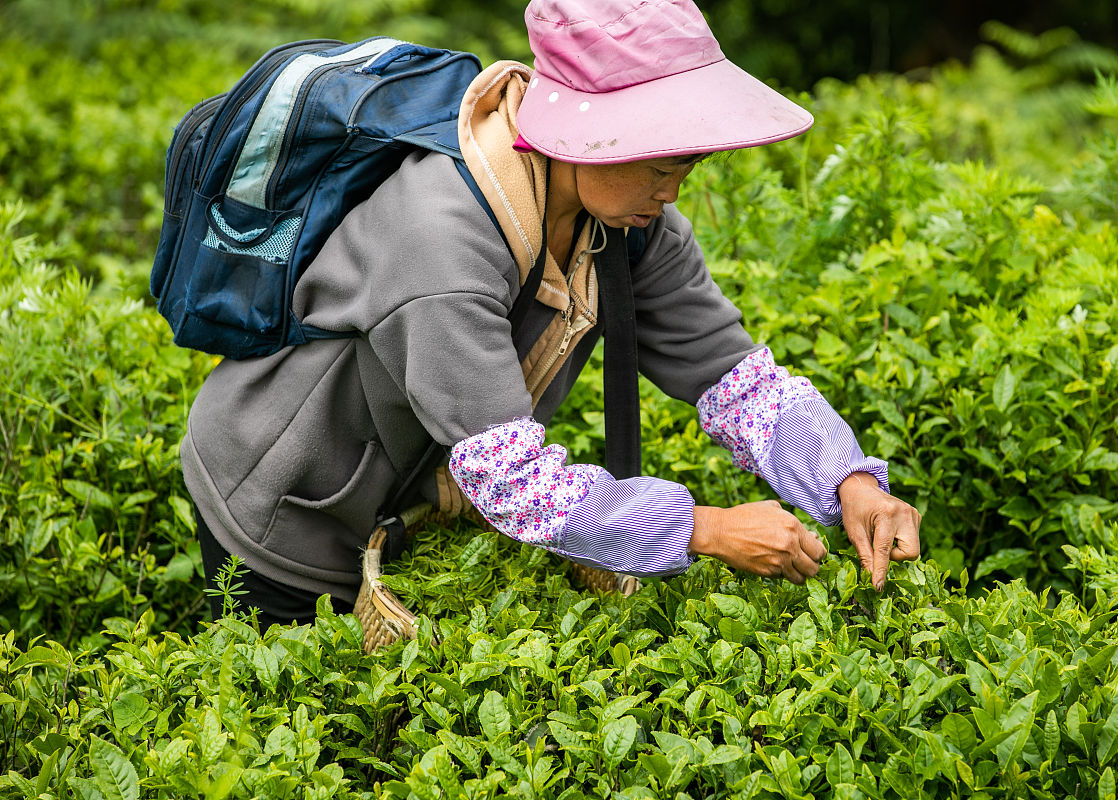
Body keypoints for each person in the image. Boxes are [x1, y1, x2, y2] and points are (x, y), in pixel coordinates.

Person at [182, 0, 922, 626]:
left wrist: (849, 480)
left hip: (409, 498)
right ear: (587, 136)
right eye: (661, 162)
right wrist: (707, 528)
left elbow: (736, 380)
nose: (673, 191)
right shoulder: (440, 239)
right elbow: (511, 479)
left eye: (687, 165)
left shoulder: (631, 224)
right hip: (283, 509)